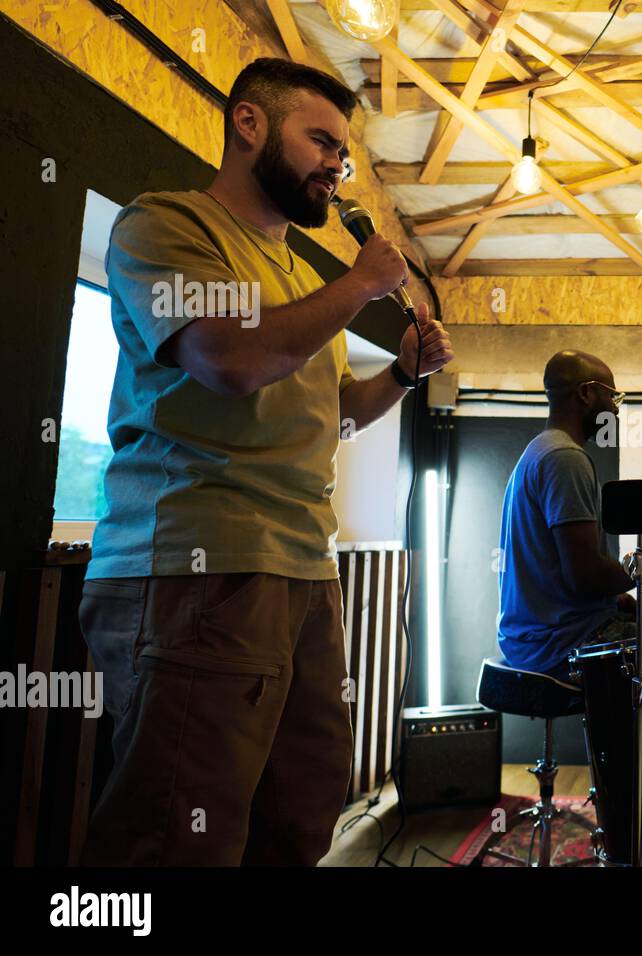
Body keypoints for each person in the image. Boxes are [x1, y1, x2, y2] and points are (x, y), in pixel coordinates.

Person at [78, 58, 454, 865]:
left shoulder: (295, 275)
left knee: (300, 816)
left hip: (303, 573)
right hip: (197, 569)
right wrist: (357, 287)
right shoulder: (166, 226)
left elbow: (333, 416)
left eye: (343, 154)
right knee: (175, 839)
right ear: (249, 124)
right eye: (321, 140)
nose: (336, 166)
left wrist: (399, 376)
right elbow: (229, 360)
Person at [497, 350, 642, 681]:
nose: (615, 409)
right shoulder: (566, 458)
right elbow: (584, 575)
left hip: (531, 640)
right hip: (560, 644)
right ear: (585, 393)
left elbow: (560, 570)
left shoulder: (539, 450)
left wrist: (615, 595)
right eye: (612, 396)